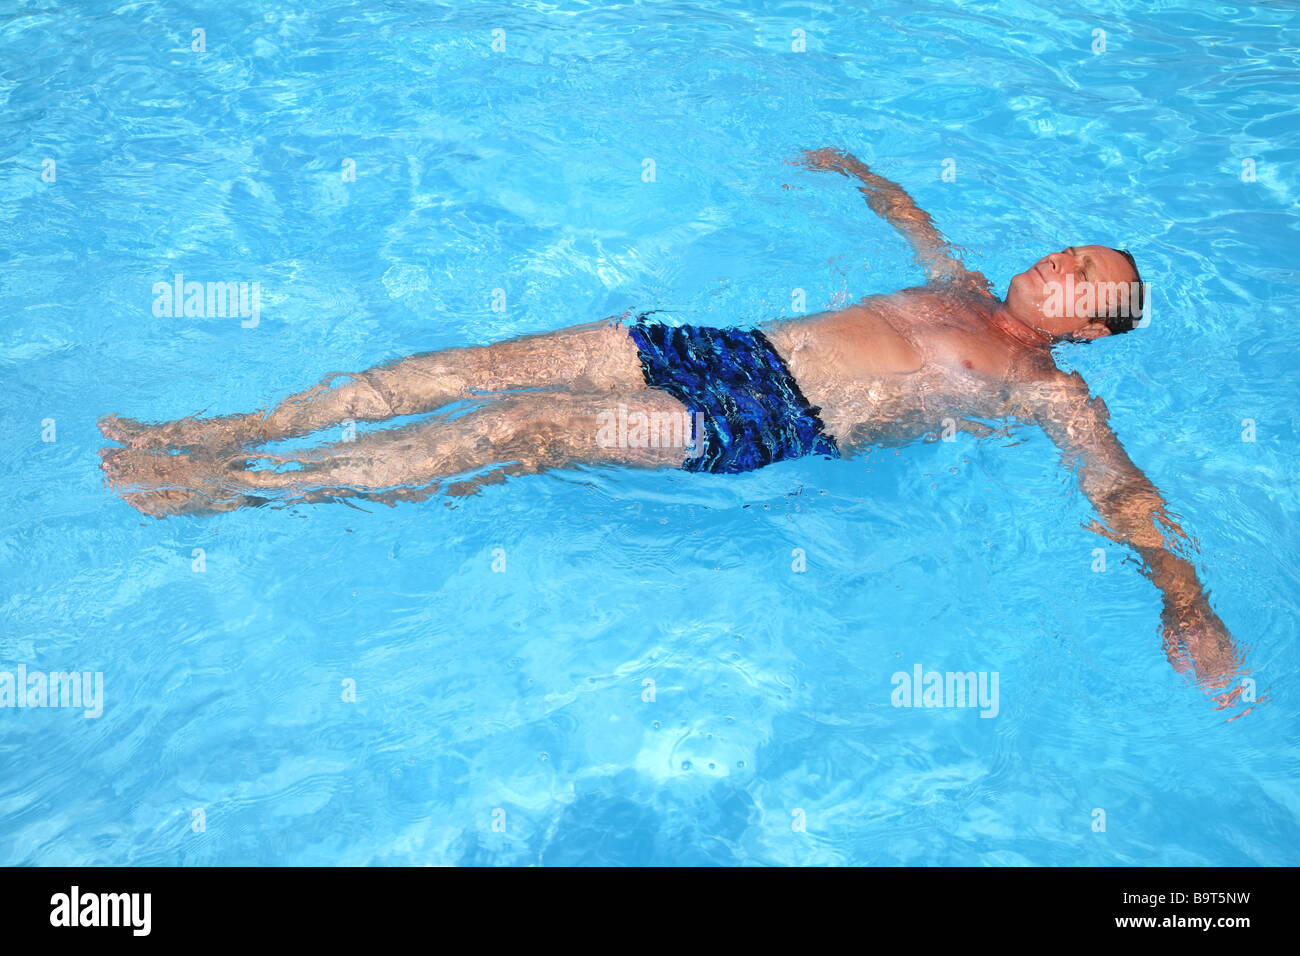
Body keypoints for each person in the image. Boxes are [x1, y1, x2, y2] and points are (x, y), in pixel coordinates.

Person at [98, 147, 1245, 699]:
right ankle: (225, 428)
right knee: (469, 366)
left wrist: (1184, 598)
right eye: (1073, 247)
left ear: (1091, 329)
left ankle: (245, 490)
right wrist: (868, 179)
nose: (1063, 261)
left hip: (766, 420)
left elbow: (1118, 490)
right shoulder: (965, 283)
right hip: (722, 347)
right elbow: (918, 229)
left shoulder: (1049, 387)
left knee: (515, 428)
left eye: (1085, 275)